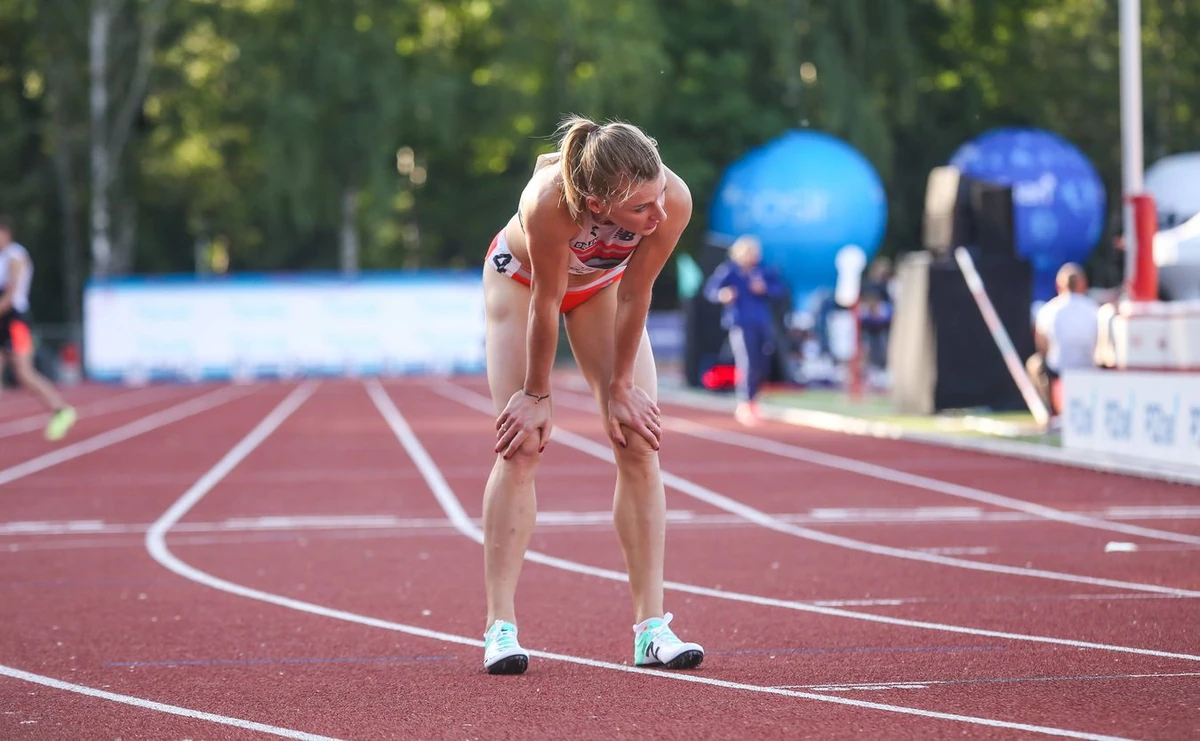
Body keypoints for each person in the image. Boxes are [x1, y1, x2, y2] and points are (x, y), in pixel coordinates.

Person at [479, 116, 704, 675]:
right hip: (522, 283)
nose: (658, 217)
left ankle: (652, 629)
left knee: (639, 441)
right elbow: (545, 304)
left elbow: (636, 294)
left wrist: (622, 388)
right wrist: (536, 394)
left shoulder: (671, 199)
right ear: (599, 202)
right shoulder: (548, 203)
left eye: (657, 201)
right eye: (640, 210)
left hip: (604, 289)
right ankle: (499, 628)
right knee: (521, 445)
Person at [0, 216, 76, 441]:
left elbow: (11, 296)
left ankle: (61, 409)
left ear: (7, 233)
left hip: (16, 321)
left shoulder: (16, 256)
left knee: (24, 372)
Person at [703, 235, 785, 425]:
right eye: (749, 252)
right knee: (746, 362)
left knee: (762, 363)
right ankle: (745, 403)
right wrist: (723, 295)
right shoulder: (729, 271)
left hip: (761, 322)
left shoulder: (764, 271)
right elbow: (711, 290)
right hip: (739, 322)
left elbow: (779, 290)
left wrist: (765, 289)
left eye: (755, 252)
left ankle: (755, 400)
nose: (753, 256)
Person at [1026, 262, 1099, 414]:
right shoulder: (1093, 308)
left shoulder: (1048, 310)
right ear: (1083, 284)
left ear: (1059, 286)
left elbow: (1042, 346)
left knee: (1035, 364)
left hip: (1059, 369)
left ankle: (1049, 411)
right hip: (1089, 367)